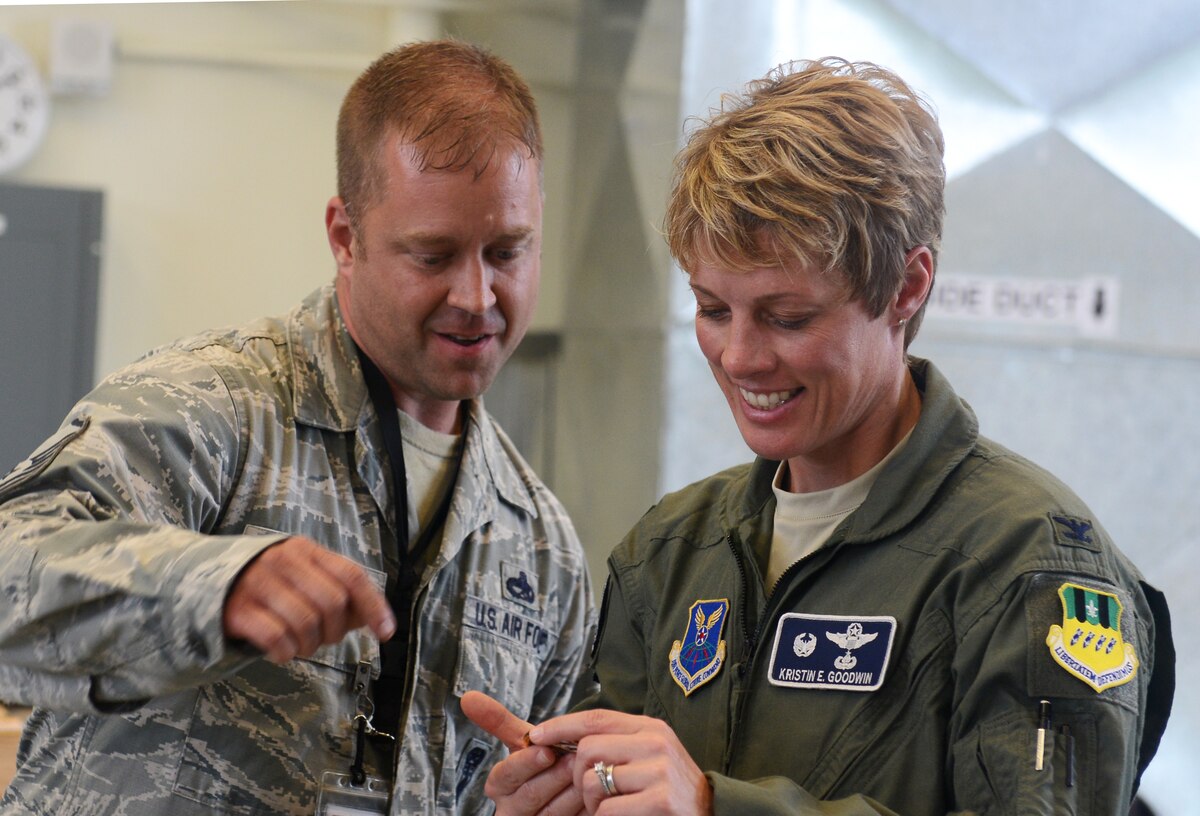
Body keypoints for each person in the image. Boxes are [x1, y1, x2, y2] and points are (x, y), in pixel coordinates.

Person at [462, 57, 1174, 815]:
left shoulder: (1033, 567)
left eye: (787, 317)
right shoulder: (669, 554)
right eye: (712, 309)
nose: (739, 357)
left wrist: (715, 807)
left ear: (906, 287)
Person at [0, 39, 595, 815]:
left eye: (507, 252)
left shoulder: (542, 548)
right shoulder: (213, 408)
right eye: (433, 255)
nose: (477, 296)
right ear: (345, 237)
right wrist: (210, 586)